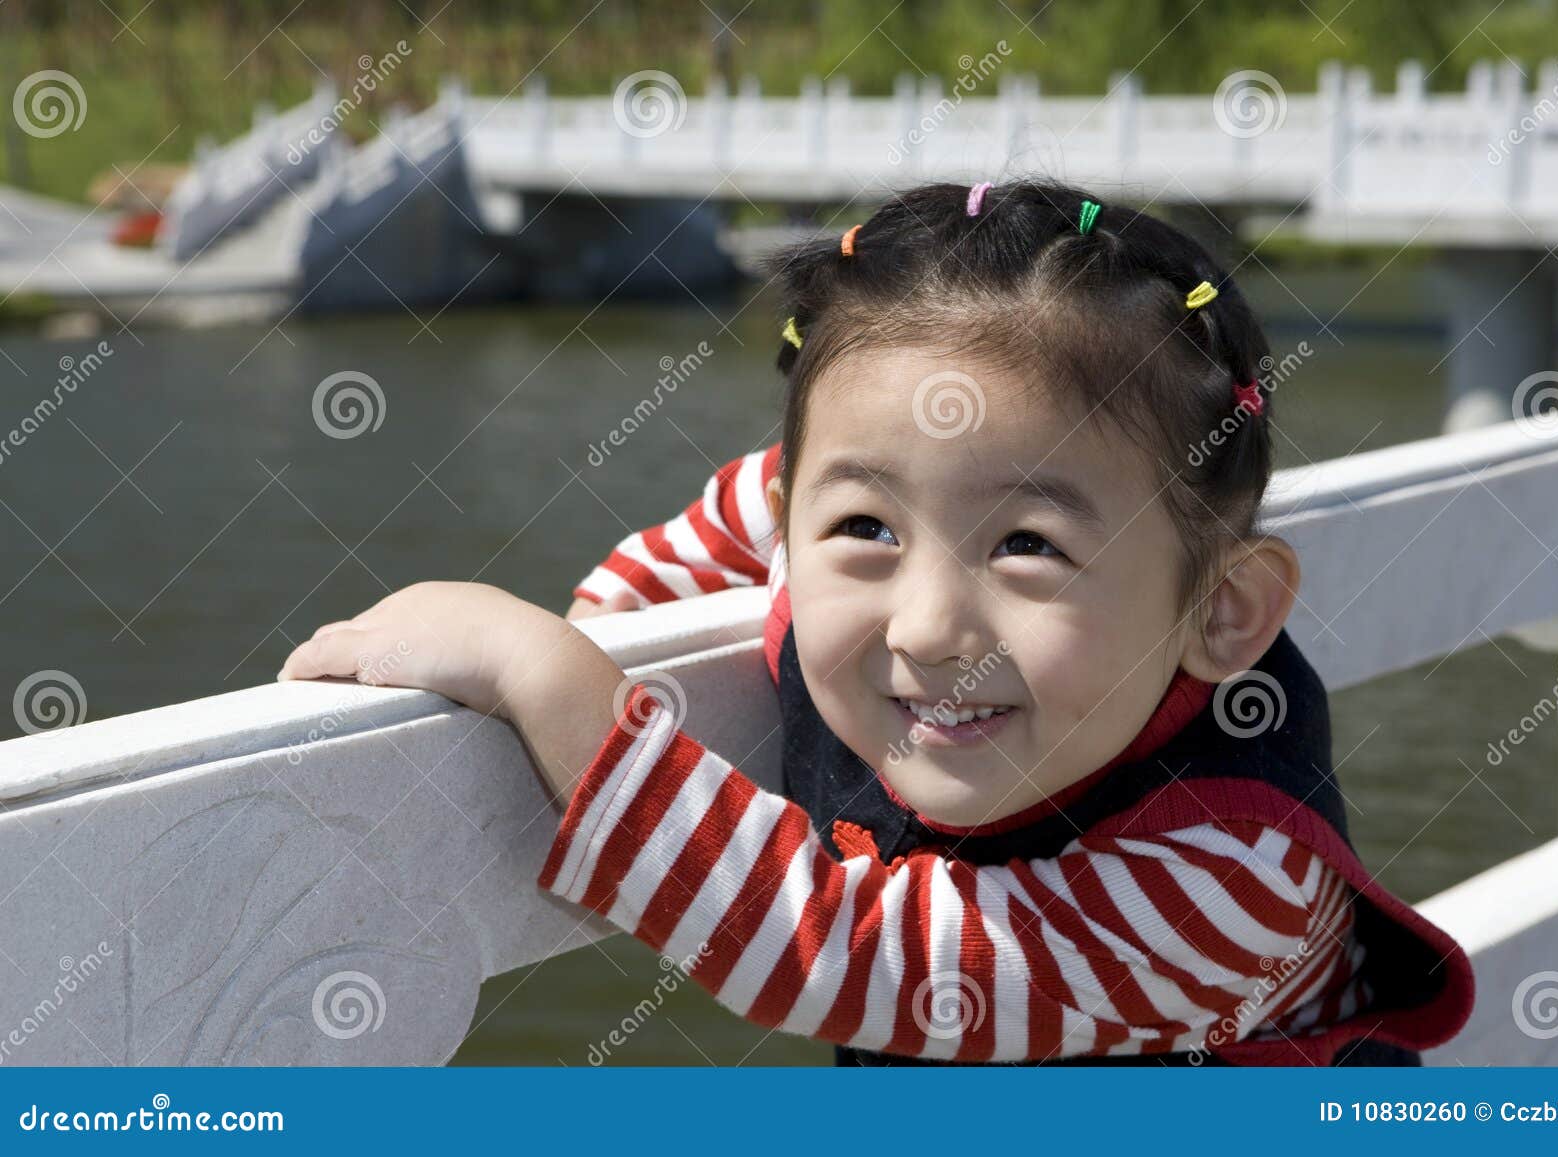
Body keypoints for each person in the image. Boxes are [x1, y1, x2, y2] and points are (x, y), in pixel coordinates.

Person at [279, 179, 1475, 1066]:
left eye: (1027, 546)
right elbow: (728, 521)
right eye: (864, 528)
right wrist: (602, 623)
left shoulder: (1227, 882)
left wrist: (541, 671)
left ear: (1223, 610)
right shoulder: (814, 505)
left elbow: (853, 950)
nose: (928, 622)